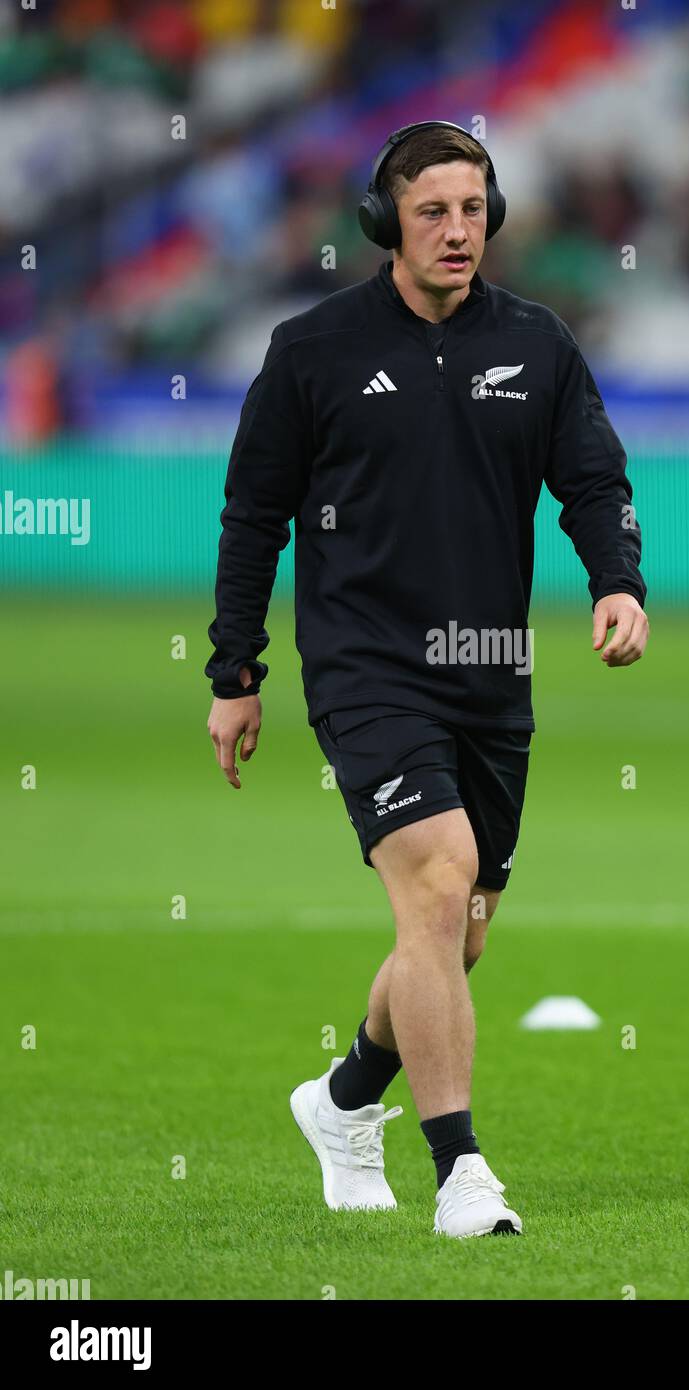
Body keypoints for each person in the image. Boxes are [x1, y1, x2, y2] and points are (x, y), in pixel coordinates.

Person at [205, 120, 649, 1237]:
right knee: (439, 881)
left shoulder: (540, 346)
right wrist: (235, 667)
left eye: (473, 208)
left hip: (493, 671)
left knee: (458, 931)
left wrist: (617, 581)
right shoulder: (312, 350)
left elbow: (593, 481)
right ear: (384, 225)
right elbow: (253, 515)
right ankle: (462, 1173)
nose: (459, 231)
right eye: (433, 211)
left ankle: (344, 1099)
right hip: (366, 667)